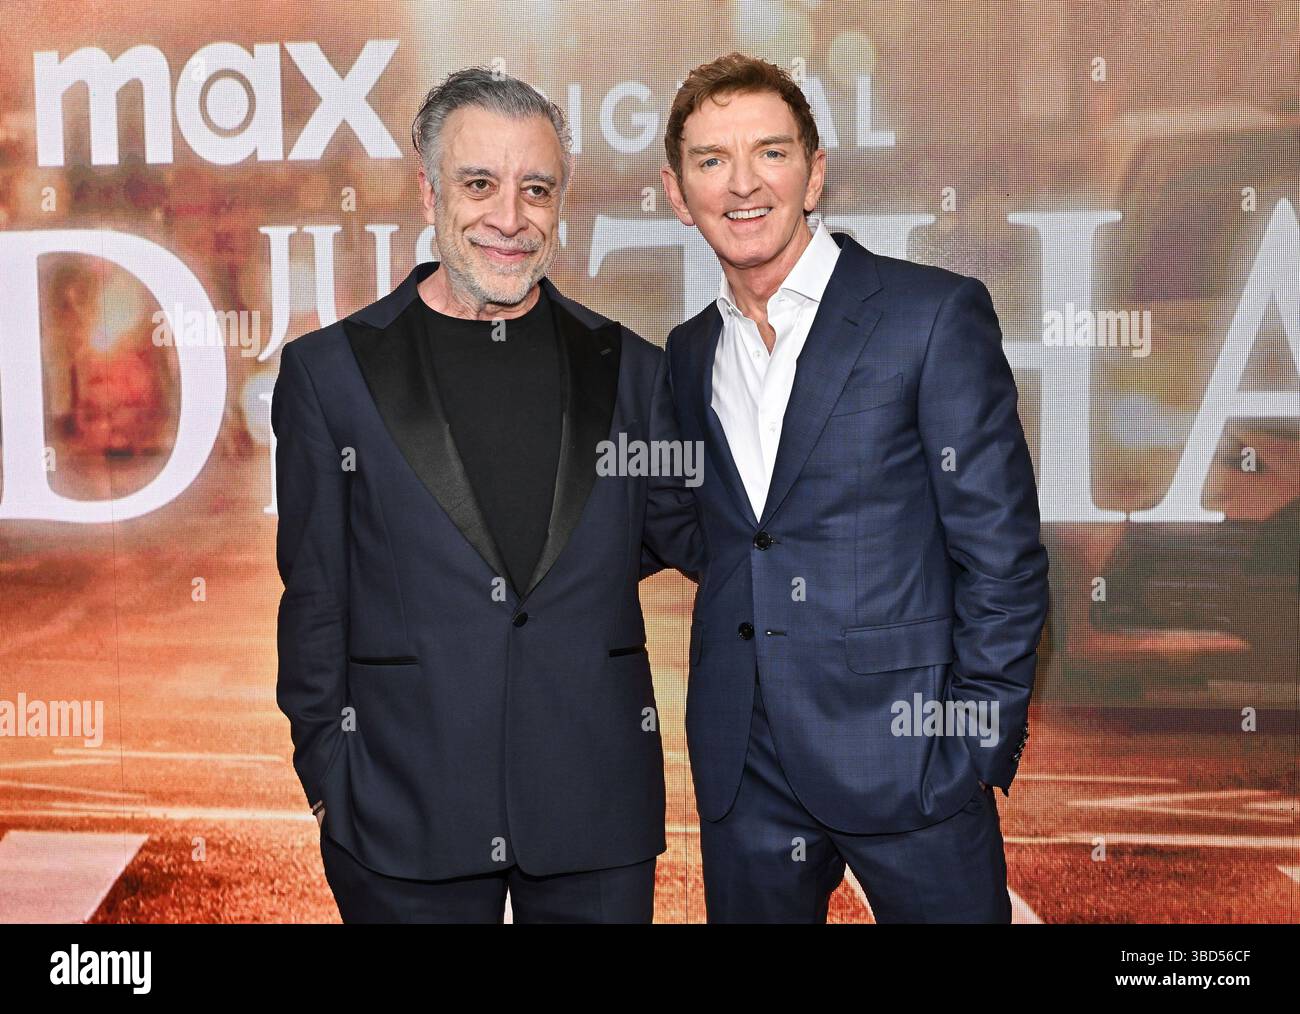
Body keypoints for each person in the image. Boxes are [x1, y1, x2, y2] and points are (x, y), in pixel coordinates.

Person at [273, 66, 700, 923]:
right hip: (399, 814)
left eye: (535, 189)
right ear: (428, 188)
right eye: (480, 184)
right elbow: (317, 596)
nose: (509, 218)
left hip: (595, 813)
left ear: (559, 202)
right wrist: (330, 780)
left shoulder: (634, 370)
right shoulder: (331, 375)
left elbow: (691, 537)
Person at [659, 52, 1050, 923]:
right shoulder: (690, 353)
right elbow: (720, 535)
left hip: (912, 760)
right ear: (677, 192)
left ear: (814, 171)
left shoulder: (931, 315)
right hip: (746, 772)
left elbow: (1003, 553)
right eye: (711, 160)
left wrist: (971, 745)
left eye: (770, 152)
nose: (743, 184)